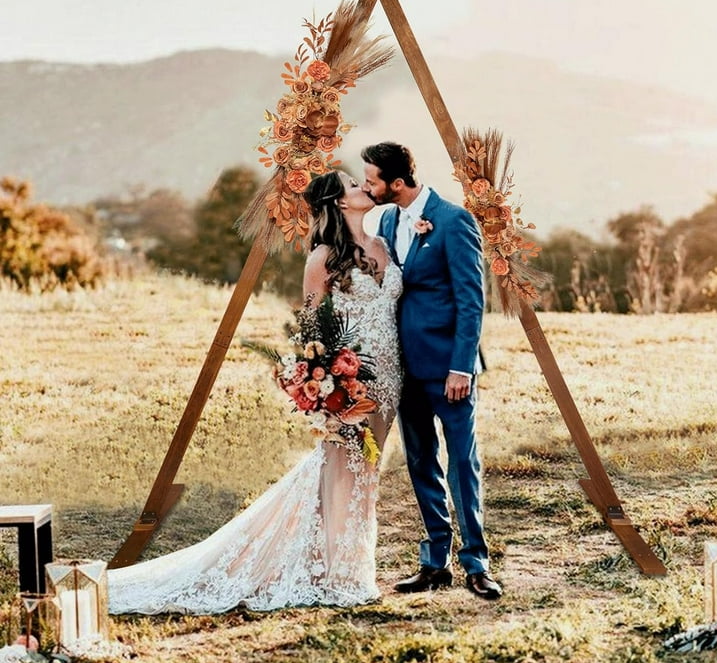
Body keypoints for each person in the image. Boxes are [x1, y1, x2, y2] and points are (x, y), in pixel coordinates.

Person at [107, 170, 403, 613]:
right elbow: (312, 333)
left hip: (390, 380)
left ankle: (341, 564)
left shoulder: (383, 245)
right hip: (351, 380)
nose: (364, 186)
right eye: (352, 184)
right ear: (340, 203)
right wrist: (327, 386)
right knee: (345, 470)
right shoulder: (322, 259)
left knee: (366, 474)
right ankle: (342, 574)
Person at [361, 141, 502, 601]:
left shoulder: (454, 220)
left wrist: (462, 366)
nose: (367, 186)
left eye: (372, 180)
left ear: (396, 183)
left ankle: (476, 564)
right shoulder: (385, 219)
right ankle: (434, 561)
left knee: (462, 462)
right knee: (421, 461)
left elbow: (471, 300)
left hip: (449, 369)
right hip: (404, 365)